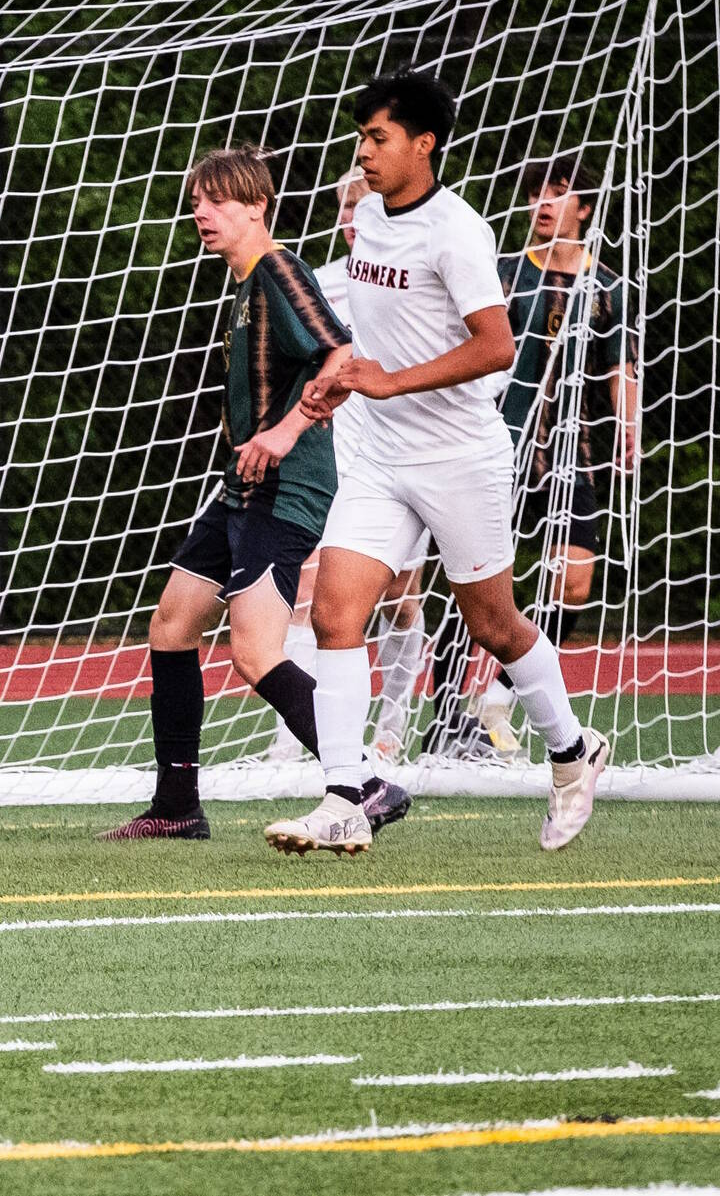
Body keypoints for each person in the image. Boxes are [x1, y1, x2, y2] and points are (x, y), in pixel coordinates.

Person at [280, 68, 611, 857]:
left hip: (460, 457)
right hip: (383, 457)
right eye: (361, 137)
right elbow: (378, 328)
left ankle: (571, 753)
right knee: (334, 611)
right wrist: (344, 376)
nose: (364, 152)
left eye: (378, 138)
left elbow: (496, 345)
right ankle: (342, 798)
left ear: (423, 145)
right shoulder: (368, 216)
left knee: (492, 623)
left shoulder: (458, 230)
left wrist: (388, 379)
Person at [102, 148, 406, 842]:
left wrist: (287, 428)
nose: (201, 213)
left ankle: (367, 782)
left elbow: (339, 353)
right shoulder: (244, 284)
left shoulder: (278, 269)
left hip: (286, 487)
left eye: (216, 200)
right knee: (172, 624)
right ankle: (177, 804)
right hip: (243, 489)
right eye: (196, 202)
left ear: (256, 205)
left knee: (256, 650)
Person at [457, 158, 638, 751]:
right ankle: (450, 718)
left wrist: (629, 425)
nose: (543, 204)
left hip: (571, 455)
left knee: (575, 581)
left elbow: (621, 369)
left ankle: (500, 700)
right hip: (497, 449)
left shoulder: (608, 286)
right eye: (536, 194)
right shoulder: (506, 275)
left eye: (557, 194)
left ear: (583, 208)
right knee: (476, 590)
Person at [270, 169, 430, 764]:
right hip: (325, 458)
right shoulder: (320, 284)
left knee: (399, 599)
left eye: (359, 204)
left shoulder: (415, 282)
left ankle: (392, 729)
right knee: (307, 593)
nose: (348, 216)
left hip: (396, 457)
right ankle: (294, 743)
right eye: (342, 205)